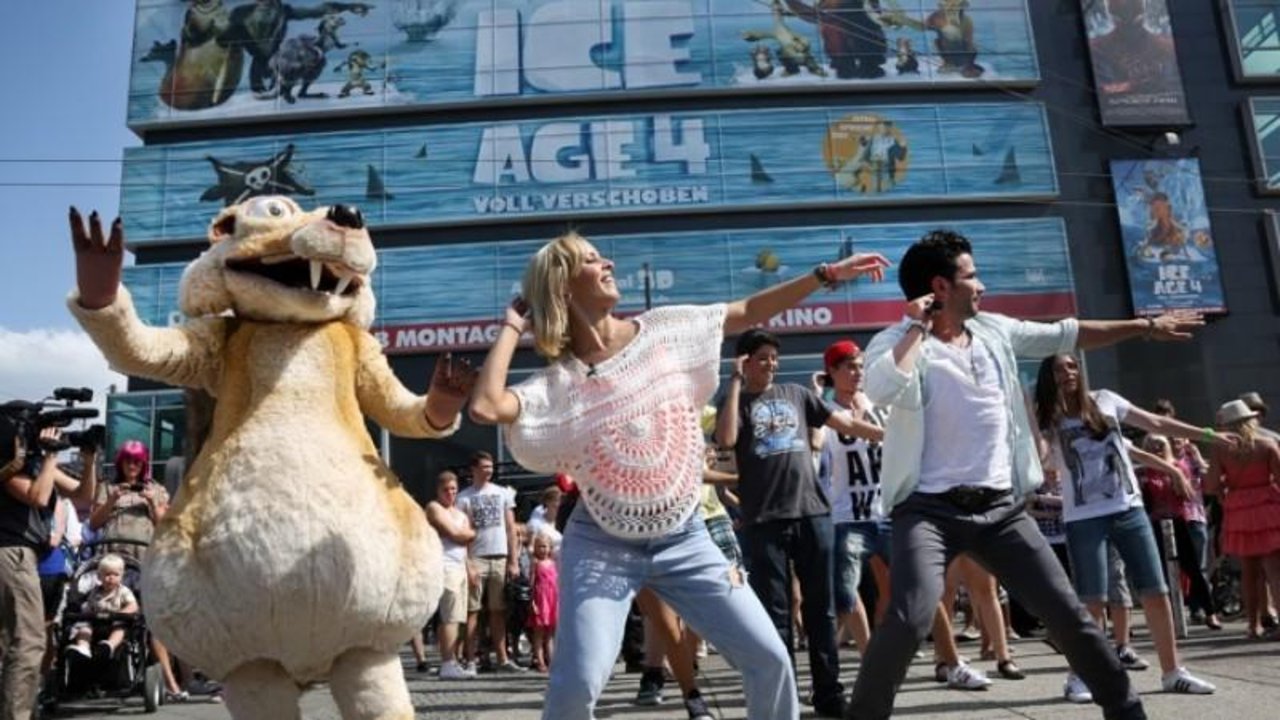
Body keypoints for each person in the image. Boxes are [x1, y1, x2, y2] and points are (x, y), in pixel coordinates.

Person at [468, 230, 889, 720]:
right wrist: (513, 325)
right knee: (576, 684)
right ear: (561, 285)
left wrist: (826, 275)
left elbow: (746, 311)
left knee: (770, 658)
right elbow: (484, 405)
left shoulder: (662, 332)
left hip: (685, 535)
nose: (606, 262)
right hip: (600, 545)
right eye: (589, 259)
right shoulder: (560, 383)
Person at [846, 228, 1209, 720]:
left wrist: (1143, 326)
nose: (982, 285)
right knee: (910, 617)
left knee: (1069, 616)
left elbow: (1070, 333)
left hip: (1000, 508)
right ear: (940, 287)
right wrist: (918, 327)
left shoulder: (995, 331)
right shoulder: (894, 341)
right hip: (928, 510)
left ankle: (1127, 712)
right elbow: (886, 388)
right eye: (972, 277)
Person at [715, 328, 889, 717]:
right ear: (745, 362)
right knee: (776, 615)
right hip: (763, 521)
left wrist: (889, 435)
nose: (771, 364)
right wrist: (736, 381)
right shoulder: (736, 402)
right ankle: (785, 697)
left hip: (813, 513)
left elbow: (845, 424)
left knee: (821, 610)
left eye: (774, 357)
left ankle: (829, 694)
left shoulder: (797, 394)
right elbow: (726, 439)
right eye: (762, 358)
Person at [1035, 353, 1220, 701]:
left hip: (1128, 508)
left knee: (1155, 590)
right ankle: (1079, 677)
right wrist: (1039, 416)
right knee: (1091, 599)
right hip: (1084, 517)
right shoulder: (1048, 418)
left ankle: (1173, 672)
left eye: (1073, 366)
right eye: (1059, 370)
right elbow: (1043, 461)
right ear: (1049, 378)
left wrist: (1209, 434)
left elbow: (1157, 424)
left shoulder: (1106, 400)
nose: (1068, 373)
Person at [1, 426, 98, 720]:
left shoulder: (38, 465)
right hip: (11, 552)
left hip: (24, 557)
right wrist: (51, 455)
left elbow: (83, 497)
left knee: (18, 640)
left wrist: (90, 459)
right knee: (28, 641)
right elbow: (39, 497)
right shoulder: (8, 466)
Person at [87, 440, 187, 701]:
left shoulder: (156, 488)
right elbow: (94, 522)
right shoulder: (108, 487)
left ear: (144, 464)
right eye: (128, 460)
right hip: (113, 563)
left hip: (145, 560)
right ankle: (100, 673)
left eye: (138, 461)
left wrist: (153, 503)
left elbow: (166, 525)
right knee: (106, 614)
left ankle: (171, 683)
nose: (132, 465)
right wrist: (111, 500)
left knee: (152, 621)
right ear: (120, 461)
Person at [1205, 399, 1280, 640]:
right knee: (1275, 570)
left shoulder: (1220, 449)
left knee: (1249, 571)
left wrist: (1226, 486)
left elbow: (1212, 484)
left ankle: (1253, 625)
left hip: (1238, 509)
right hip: (1268, 506)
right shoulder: (1267, 444)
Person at [1137, 433, 1221, 630]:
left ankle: (1210, 612)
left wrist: (1175, 477)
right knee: (1160, 571)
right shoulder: (1143, 472)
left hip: (1178, 519)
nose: (1156, 449)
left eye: (1160, 445)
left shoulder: (1178, 467)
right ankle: (1167, 618)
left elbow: (1187, 494)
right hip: (1155, 522)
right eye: (1152, 446)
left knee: (1193, 568)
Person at [456, 450, 521, 673]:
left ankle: (502, 658)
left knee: (498, 610)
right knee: (472, 610)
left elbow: (511, 528)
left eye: (491, 466)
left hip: (499, 556)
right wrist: (467, 563)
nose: (489, 470)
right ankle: (471, 660)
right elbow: (461, 533)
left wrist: (514, 560)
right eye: (484, 467)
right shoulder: (464, 497)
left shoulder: (503, 493)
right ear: (474, 469)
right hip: (476, 557)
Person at [421, 470, 475, 679]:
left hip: (460, 565)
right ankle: (447, 662)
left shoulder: (460, 513)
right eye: (446, 490)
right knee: (449, 616)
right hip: (445, 566)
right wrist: (466, 535)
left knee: (458, 616)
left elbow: (467, 536)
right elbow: (456, 534)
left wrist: (466, 537)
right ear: (438, 491)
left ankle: (452, 658)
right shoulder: (434, 507)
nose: (451, 493)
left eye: (454, 489)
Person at [67, 553, 139, 674]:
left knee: (120, 629)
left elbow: (133, 606)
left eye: (115, 575)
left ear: (121, 576)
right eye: (107, 575)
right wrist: (85, 614)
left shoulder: (123, 591)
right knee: (84, 628)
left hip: (115, 621)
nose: (111, 578)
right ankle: (83, 647)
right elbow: (89, 606)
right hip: (96, 621)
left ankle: (109, 646)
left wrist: (121, 613)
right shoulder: (95, 591)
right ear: (99, 576)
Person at [526, 532, 558, 673]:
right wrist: (532, 602)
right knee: (538, 633)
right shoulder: (535, 563)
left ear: (550, 548)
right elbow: (531, 584)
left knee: (550, 634)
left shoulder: (553, 563)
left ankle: (552, 660)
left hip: (552, 601)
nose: (543, 550)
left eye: (545, 547)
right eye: (539, 547)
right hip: (540, 600)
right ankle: (540, 661)